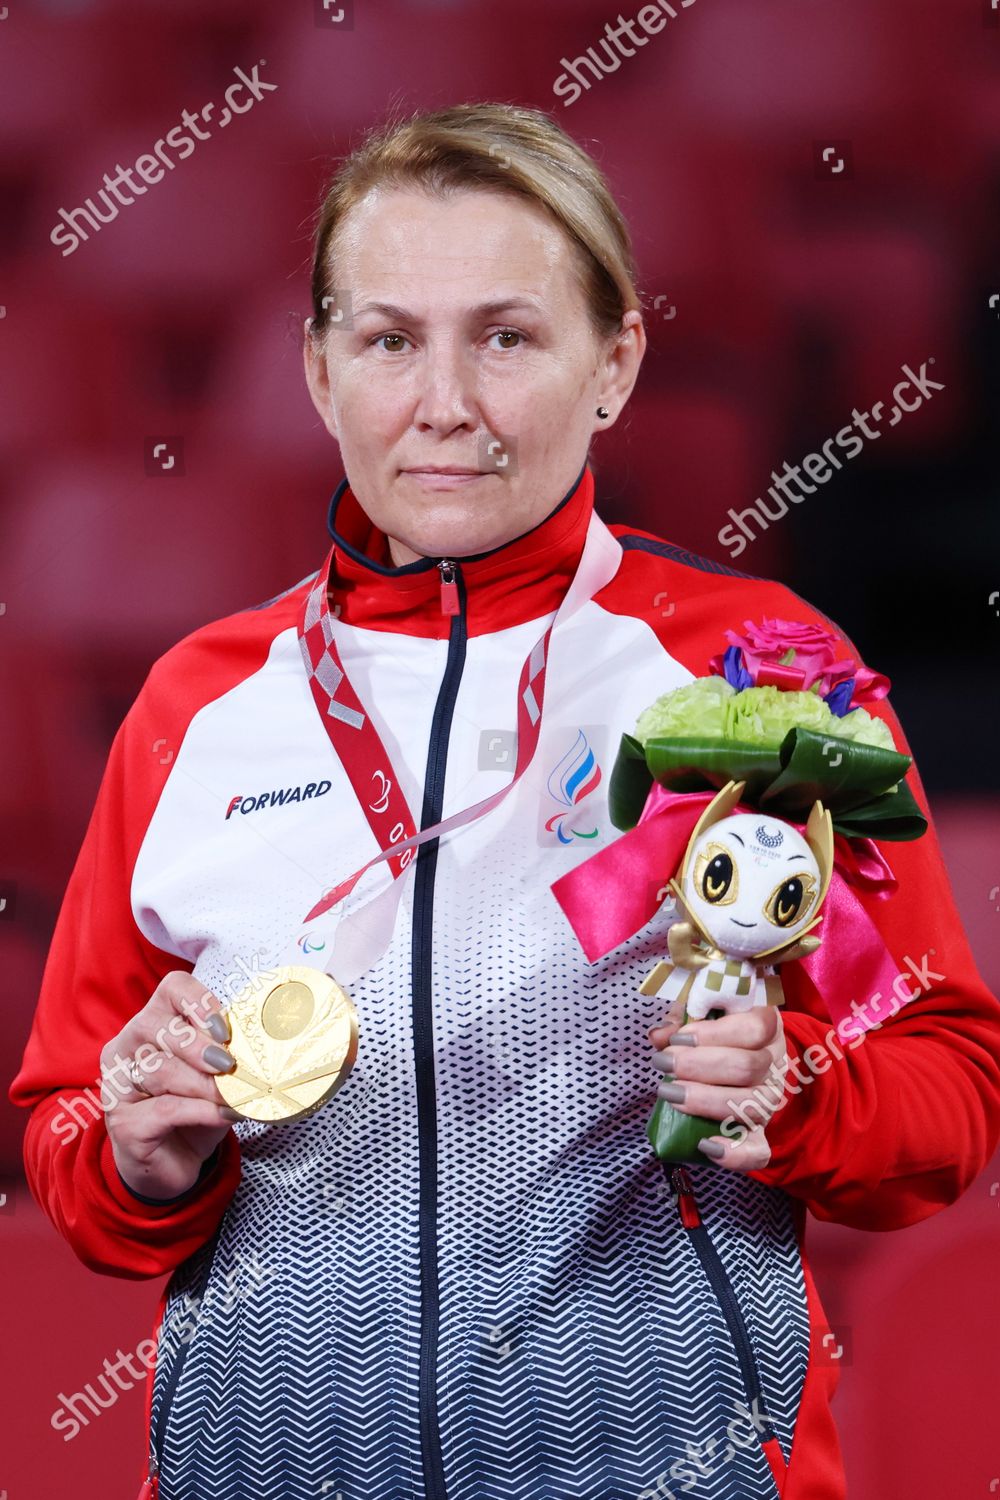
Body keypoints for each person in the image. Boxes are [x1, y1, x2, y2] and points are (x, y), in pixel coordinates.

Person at [9, 101, 1000, 1500]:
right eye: (389, 339)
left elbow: (952, 1090)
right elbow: (68, 1132)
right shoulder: (198, 708)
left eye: (509, 336)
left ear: (616, 364)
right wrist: (136, 1151)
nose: (446, 405)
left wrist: (803, 1092)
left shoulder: (758, 670)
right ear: (317, 369)